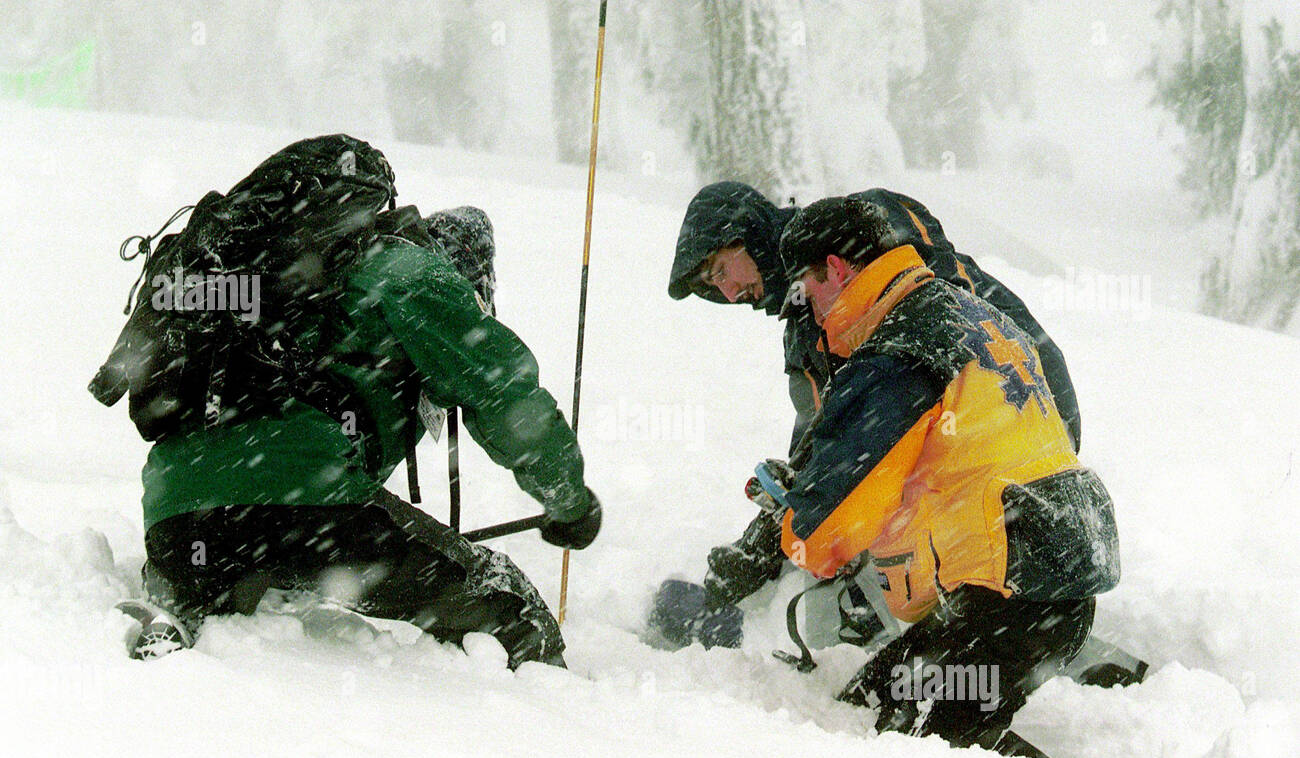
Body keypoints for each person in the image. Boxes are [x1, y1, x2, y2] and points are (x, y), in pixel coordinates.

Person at [95, 135, 600, 669]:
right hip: (303, 504)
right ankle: (565, 719)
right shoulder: (412, 273)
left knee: (229, 607)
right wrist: (569, 501)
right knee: (512, 609)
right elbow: (505, 395)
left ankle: (176, 615)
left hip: (178, 509)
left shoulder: (295, 278)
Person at [774, 196, 1141, 758]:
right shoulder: (963, 310)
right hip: (1048, 564)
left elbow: (825, 524)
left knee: (936, 748)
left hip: (1019, 585)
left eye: (806, 285)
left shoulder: (898, 347)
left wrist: (791, 518)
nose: (807, 305)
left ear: (836, 269)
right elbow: (938, 463)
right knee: (882, 697)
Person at [655, 182, 1080, 648]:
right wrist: (747, 562)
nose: (730, 293)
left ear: (748, 232)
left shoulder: (861, 235)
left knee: (913, 567)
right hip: (1001, 438)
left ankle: (992, 655)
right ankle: (975, 649)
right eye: (713, 286)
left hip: (1017, 424)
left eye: (721, 269)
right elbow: (827, 455)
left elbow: (930, 351)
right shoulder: (810, 332)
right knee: (874, 578)